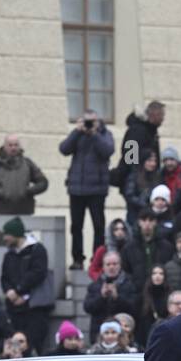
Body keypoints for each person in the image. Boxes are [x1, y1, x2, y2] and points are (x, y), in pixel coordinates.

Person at [60, 109, 116, 269]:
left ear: (98, 121)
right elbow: (64, 149)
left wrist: (94, 133)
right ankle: (78, 259)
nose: (89, 124)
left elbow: (108, 151)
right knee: (76, 226)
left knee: (98, 226)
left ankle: (96, 259)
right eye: (87, 121)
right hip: (76, 189)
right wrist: (77, 132)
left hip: (97, 190)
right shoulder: (77, 134)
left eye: (92, 121)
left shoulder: (105, 134)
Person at [0, 216, 53, 354]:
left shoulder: (37, 250)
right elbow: (4, 277)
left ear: (16, 234)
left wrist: (19, 291)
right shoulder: (9, 254)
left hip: (34, 308)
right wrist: (10, 292)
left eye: (7, 234)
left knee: (33, 345)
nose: (5, 238)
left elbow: (38, 273)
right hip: (14, 309)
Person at [0, 134, 48, 216]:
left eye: (16, 145)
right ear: (4, 147)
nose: (13, 148)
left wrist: (28, 191)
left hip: (25, 212)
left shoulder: (28, 164)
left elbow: (43, 182)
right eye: (10, 145)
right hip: (1, 212)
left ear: (19, 146)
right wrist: (0, 194)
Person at [83, 251, 140, 341]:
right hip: (99, 334)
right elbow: (87, 307)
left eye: (114, 264)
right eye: (108, 264)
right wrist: (102, 297)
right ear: (103, 266)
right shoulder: (95, 285)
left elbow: (135, 308)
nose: (111, 267)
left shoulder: (130, 284)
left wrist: (117, 298)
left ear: (120, 265)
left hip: (123, 335)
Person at [118, 100, 165, 205]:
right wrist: (136, 176)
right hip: (135, 182)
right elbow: (129, 156)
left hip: (148, 179)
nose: (163, 118)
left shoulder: (151, 131)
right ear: (153, 114)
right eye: (161, 115)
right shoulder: (137, 130)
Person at [121, 209, 174, 285]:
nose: (147, 223)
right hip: (136, 290)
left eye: (151, 220)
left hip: (161, 289)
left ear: (155, 222)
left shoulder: (167, 247)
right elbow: (126, 271)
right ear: (139, 222)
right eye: (144, 220)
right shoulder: (129, 247)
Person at [123, 147, 164, 228]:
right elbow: (129, 195)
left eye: (154, 161)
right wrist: (144, 203)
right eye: (149, 161)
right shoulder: (134, 176)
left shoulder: (158, 177)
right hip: (135, 215)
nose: (153, 164)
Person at [138, 264, 170, 347]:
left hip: (165, 335)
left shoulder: (170, 295)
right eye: (154, 273)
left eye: (161, 273)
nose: (157, 276)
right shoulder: (143, 296)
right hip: (145, 336)